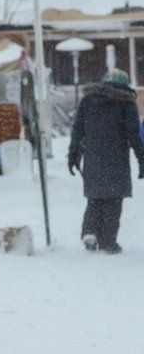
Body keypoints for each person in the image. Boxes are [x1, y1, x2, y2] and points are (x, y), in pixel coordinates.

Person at [68, 69, 144, 254]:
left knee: (95, 199)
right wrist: (142, 160)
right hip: (117, 158)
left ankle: (89, 232)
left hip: (93, 157)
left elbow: (78, 130)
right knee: (113, 201)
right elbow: (134, 135)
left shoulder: (88, 101)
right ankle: (108, 242)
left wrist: (74, 155)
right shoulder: (126, 103)